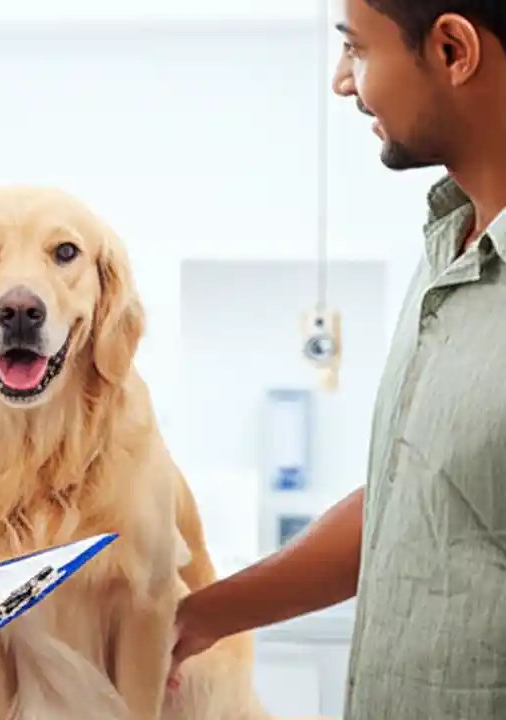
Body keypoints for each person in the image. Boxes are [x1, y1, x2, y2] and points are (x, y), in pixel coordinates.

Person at [169, 0, 506, 717]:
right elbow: (412, 504)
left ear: (453, 51)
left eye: (356, 49)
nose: (342, 82)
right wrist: (195, 619)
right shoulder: (452, 244)